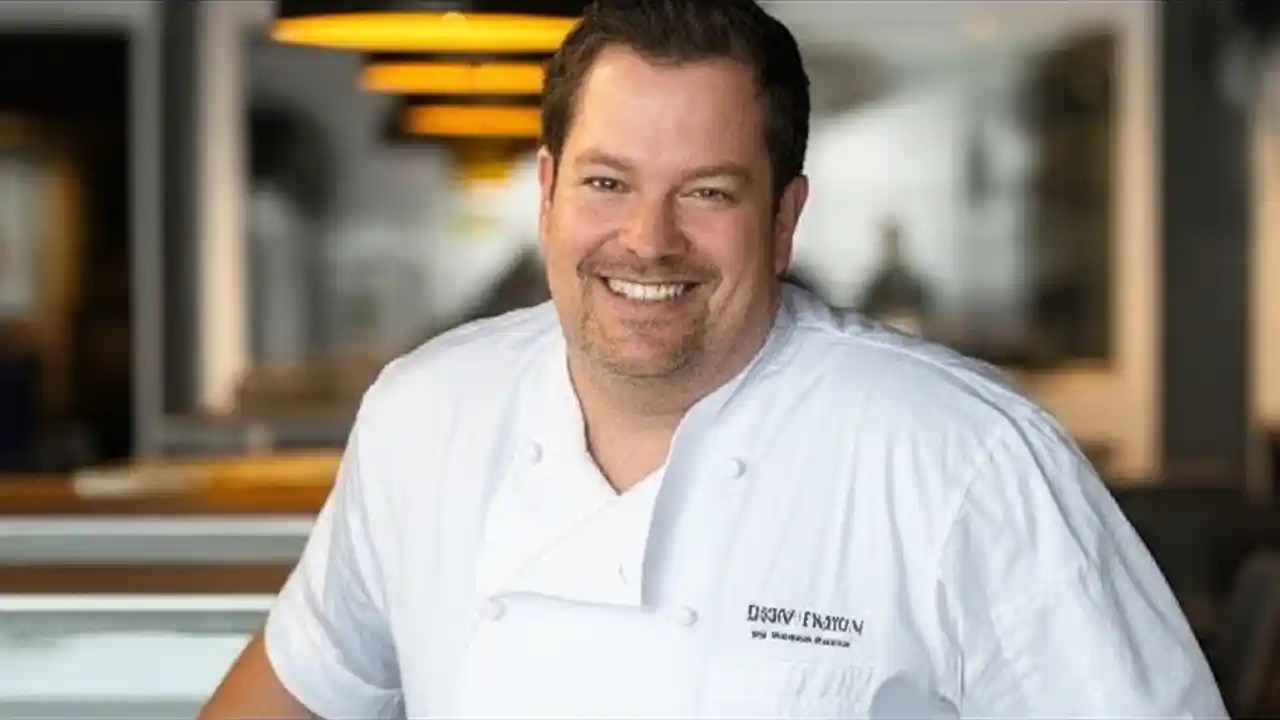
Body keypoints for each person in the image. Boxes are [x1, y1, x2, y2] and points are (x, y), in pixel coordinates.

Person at [200, 0, 1227, 717]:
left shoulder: (961, 458)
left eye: (707, 191)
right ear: (547, 191)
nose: (647, 240)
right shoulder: (423, 416)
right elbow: (290, 696)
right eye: (607, 183)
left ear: (783, 219)